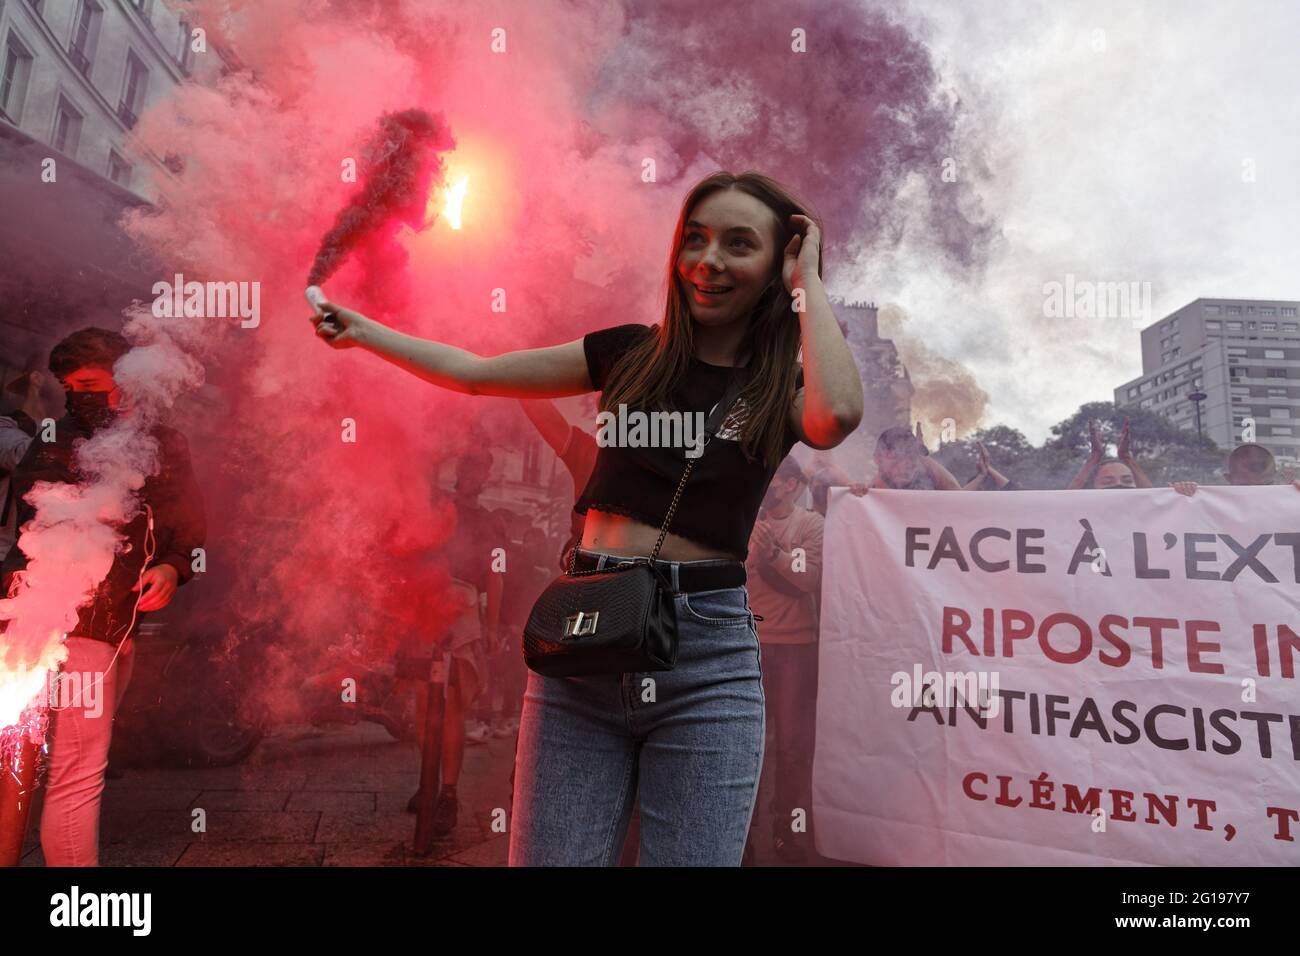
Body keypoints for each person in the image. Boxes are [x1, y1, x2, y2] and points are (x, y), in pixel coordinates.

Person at [310, 170, 863, 866]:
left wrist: (806, 283)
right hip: (583, 639)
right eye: (694, 239)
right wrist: (366, 333)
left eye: (739, 243)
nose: (709, 260)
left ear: (775, 262)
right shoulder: (630, 352)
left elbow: (836, 415)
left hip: (707, 660)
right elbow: (478, 372)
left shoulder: (780, 385)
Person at [0, 328, 206, 866]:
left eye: (90, 383)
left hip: (116, 625)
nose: (78, 397)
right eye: (70, 387)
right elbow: (31, 531)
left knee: (67, 765)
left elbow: (188, 526)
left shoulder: (164, 443)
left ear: (126, 379)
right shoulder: (52, 440)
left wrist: (171, 566)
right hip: (49, 621)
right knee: (51, 767)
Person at [404, 449, 504, 834]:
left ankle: (448, 793)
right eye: (469, 465)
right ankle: (426, 783)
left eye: (482, 466)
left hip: (462, 607)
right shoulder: (435, 505)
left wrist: (492, 627)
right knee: (424, 703)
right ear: (459, 468)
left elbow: (496, 575)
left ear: (487, 474)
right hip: (424, 601)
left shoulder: (488, 522)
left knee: (454, 706)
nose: (474, 473)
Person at [743, 455, 824, 864]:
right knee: (748, 746)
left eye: (774, 478)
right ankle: (741, 837)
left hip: (795, 649)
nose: (765, 484)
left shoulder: (811, 524)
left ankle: (788, 834)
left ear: (792, 485)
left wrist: (774, 553)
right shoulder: (740, 520)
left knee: (792, 747)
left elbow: (809, 578)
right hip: (748, 647)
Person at [1, 352, 59, 561]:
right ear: (36, 379)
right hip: (3, 554)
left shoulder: (54, 429)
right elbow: (26, 456)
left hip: (40, 558)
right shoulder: (5, 425)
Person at [1171, 442, 1300, 496]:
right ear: (1229, 479)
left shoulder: (1291, 502)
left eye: (1266, 484)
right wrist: (1183, 496)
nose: (1256, 492)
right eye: (1246, 486)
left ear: (1276, 477)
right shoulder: (1215, 507)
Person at [1066, 418, 1153, 490]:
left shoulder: (1140, 506)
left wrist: (1126, 456)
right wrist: (1094, 457)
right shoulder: (1087, 507)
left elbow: (1151, 496)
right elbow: (1067, 499)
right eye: (1107, 482)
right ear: (1094, 486)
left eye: (1127, 481)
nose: (1119, 484)